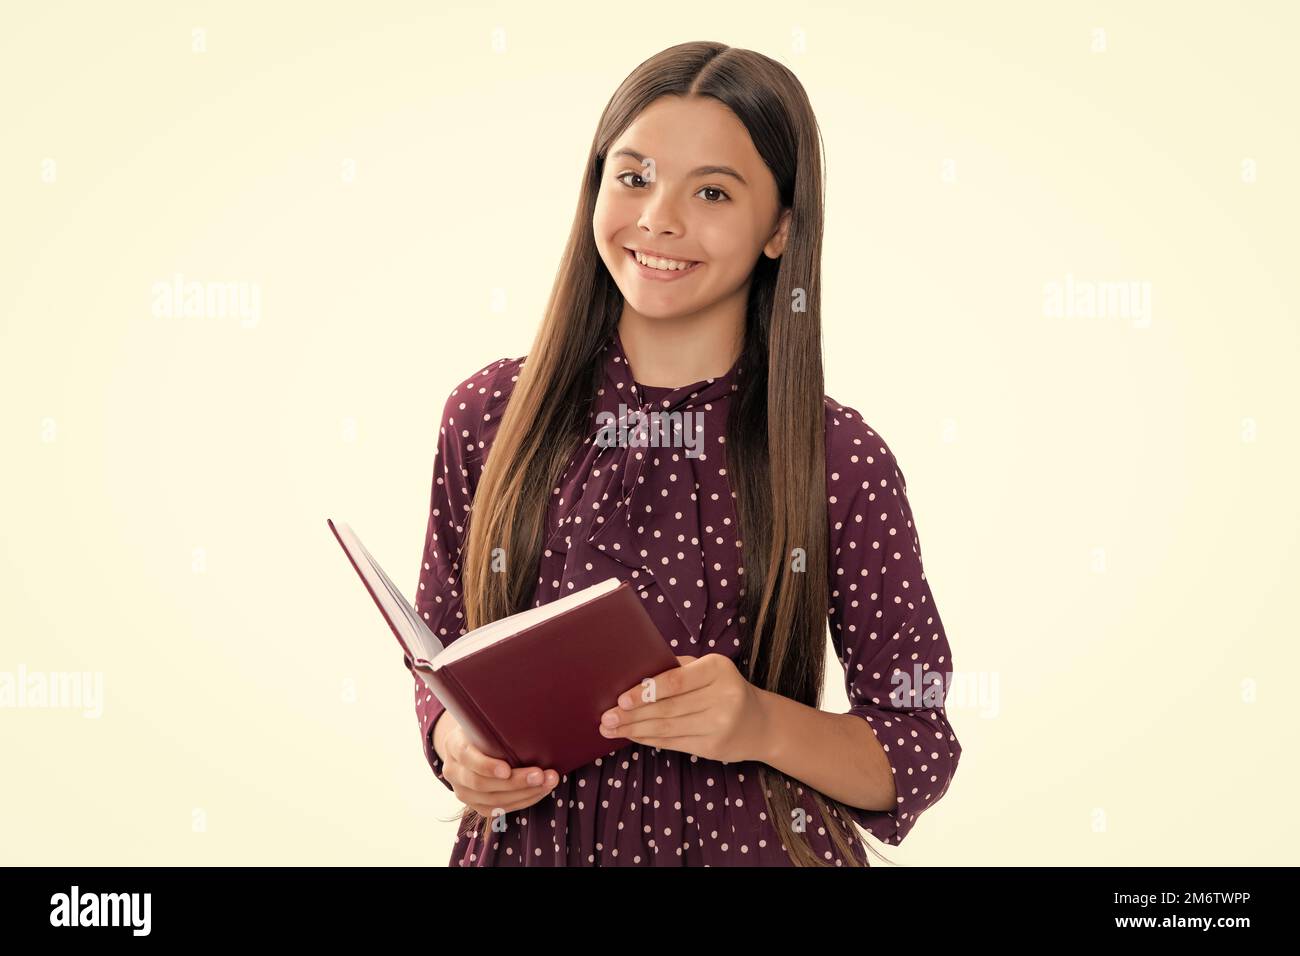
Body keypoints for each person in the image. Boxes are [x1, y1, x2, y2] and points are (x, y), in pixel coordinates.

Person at [404, 41, 961, 867]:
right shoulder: (489, 415)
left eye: (711, 191)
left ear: (780, 228)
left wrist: (761, 723)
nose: (660, 217)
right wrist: (455, 742)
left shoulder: (838, 458)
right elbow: (440, 656)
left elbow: (917, 746)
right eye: (633, 177)